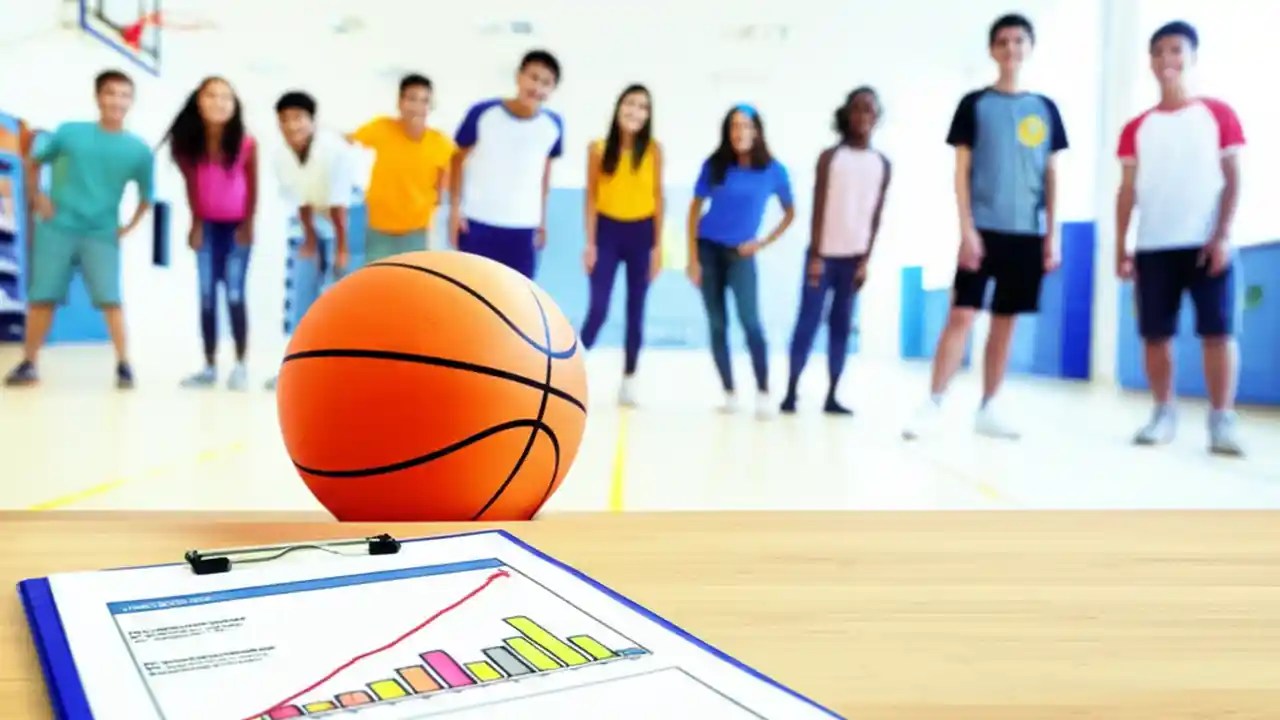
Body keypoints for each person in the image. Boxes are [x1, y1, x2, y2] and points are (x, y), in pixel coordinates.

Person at [902, 13, 1067, 441]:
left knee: (1005, 320)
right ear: (993, 50)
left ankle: (989, 406)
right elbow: (961, 173)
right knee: (961, 315)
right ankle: (933, 401)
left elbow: (1051, 176)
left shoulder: (1045, 109)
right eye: (1003, 42)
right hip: (984, 229)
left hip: (1027, 233)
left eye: (1018, 41)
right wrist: (967, 229)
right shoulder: (974, 105)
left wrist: (1053, 235)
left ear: (1029, 48)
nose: (1011, 49)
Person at [1116, 21, 1246, 456]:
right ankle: (1163, 413)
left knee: (1218, 334)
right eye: (1159, 52)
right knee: (1156, 336)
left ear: (1191, 57)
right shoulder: (1137, 127)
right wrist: (1122, 245)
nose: (1167, 60)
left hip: (1206, 243)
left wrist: (1222, 235)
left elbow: (1232, 179)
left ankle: (1222, 421)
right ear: (1150, 61)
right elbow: (1127, 191)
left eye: (1176, 51)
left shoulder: (1218, 114)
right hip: (1154, 247)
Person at [3, 70, 153, 389]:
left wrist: (126, 228)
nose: (117, 100)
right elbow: (34, 161)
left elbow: (146, 197)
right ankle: (29, 362)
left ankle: (124, 364)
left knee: (111, 300)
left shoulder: (138, 150)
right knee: (42, 297)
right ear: (98, 97)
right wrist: (36, 196)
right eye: (110, 93)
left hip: (101, 234)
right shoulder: (70, 133)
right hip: (57, 229)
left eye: (124, 94)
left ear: (131, 101)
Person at [781, 87, 891, 415]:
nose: (862, 116)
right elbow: (819, 207)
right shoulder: (831, 157)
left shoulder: (882, 163)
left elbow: (875, 214)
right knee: (808, 322)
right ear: (846, 115)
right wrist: (815, 254)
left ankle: (832, 395)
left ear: (876, 117)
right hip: (823, 257)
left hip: (853, 260)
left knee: (841, 326)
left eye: (869, 110)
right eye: (856, 109)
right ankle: (790, 392)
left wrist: (865, 260)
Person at [687, 104, 796, 419]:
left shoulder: (773, 170)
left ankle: (763, 391)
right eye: (735, 126)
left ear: (757, 130)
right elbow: (695, 209)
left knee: (751, 323)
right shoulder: (715, 165)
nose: (740, 132)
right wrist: (692, 258)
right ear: (727, 132)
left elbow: (791, 212)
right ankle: (729, 392)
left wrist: (762, 242)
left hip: (741, 254)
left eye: (747, 126)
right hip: (708, 249)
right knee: (717, 323)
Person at [165, 75, 259, 391]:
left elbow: (252, 189)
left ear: (235, 106)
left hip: (237, 230)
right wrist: (195, 224)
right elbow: (192, 187)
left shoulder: (246, 142)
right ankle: (208, 366)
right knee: (206, 296)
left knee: (234, 294)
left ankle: (241, 365)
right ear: (198, 101)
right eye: (211, 96)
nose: (219, 102)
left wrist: (248, 226)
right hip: (207, 227)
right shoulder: (187, 145)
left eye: (226, 97)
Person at [265, 91, 357, 390]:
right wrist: (308, 239)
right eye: (285, 120)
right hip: (313, 218)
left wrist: (341, 249)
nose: (292, 126)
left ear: (312, 121)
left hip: (345, 219)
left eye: (299, 119)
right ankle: (296, 368)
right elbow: (298, 199)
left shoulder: (335, 150)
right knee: (304, 296)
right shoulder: (280, 157)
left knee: (336, 297)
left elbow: (339, 205)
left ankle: (335, 372)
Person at [579, 84, 663, 406]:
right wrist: (590, 243)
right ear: (618, 108)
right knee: (598, 308)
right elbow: (590, 197)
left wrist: (657, 248)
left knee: (635, 311)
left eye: (643, 107)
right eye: (630, 104)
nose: (635, 111)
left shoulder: (654, 150)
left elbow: (658, 198)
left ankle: (629, 378)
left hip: (642, 234)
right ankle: (573, 368)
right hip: (607, 232)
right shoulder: (597, 149)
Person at [450, 50, 565, 279]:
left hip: (524, 228)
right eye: (533, 77)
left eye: (546, 83)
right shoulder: (482, 113)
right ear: (519, 76)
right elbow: (456, 160)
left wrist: (542, 220)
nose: (537, 87)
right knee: (472, 297)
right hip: (477, 222)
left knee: (518, 300)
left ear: (552, 90)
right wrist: (454, 211)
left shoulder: (553, 125)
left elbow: (545, 173)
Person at [349, 74, 455, 264]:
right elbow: (347, 145)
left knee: (413, 288)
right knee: (376, 285)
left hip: (418, 232)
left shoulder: (441, 144)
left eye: (424, 101)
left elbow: (444, 191)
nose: (417, 107)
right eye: (412, 99)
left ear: (431, 106)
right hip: (379, 228)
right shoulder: (380, 127)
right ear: (400, 102)